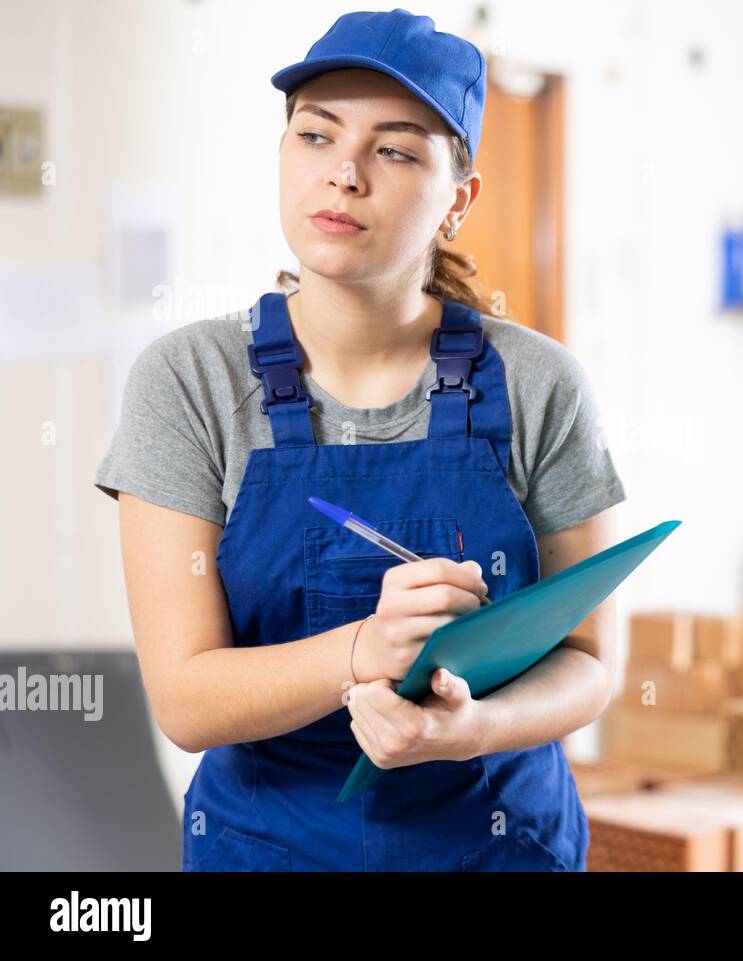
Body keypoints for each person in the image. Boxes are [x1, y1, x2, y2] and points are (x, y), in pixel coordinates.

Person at [93, 8, 626, 871]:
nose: (343, 174)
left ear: (459, 198)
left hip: (495, 849)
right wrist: (362, 652)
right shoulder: (189, 380)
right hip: (268, 851)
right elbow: (186, 697)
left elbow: (592, 661)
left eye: (395, 149)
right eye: (315, 135)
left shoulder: (539, 384)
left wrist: (471, 727)